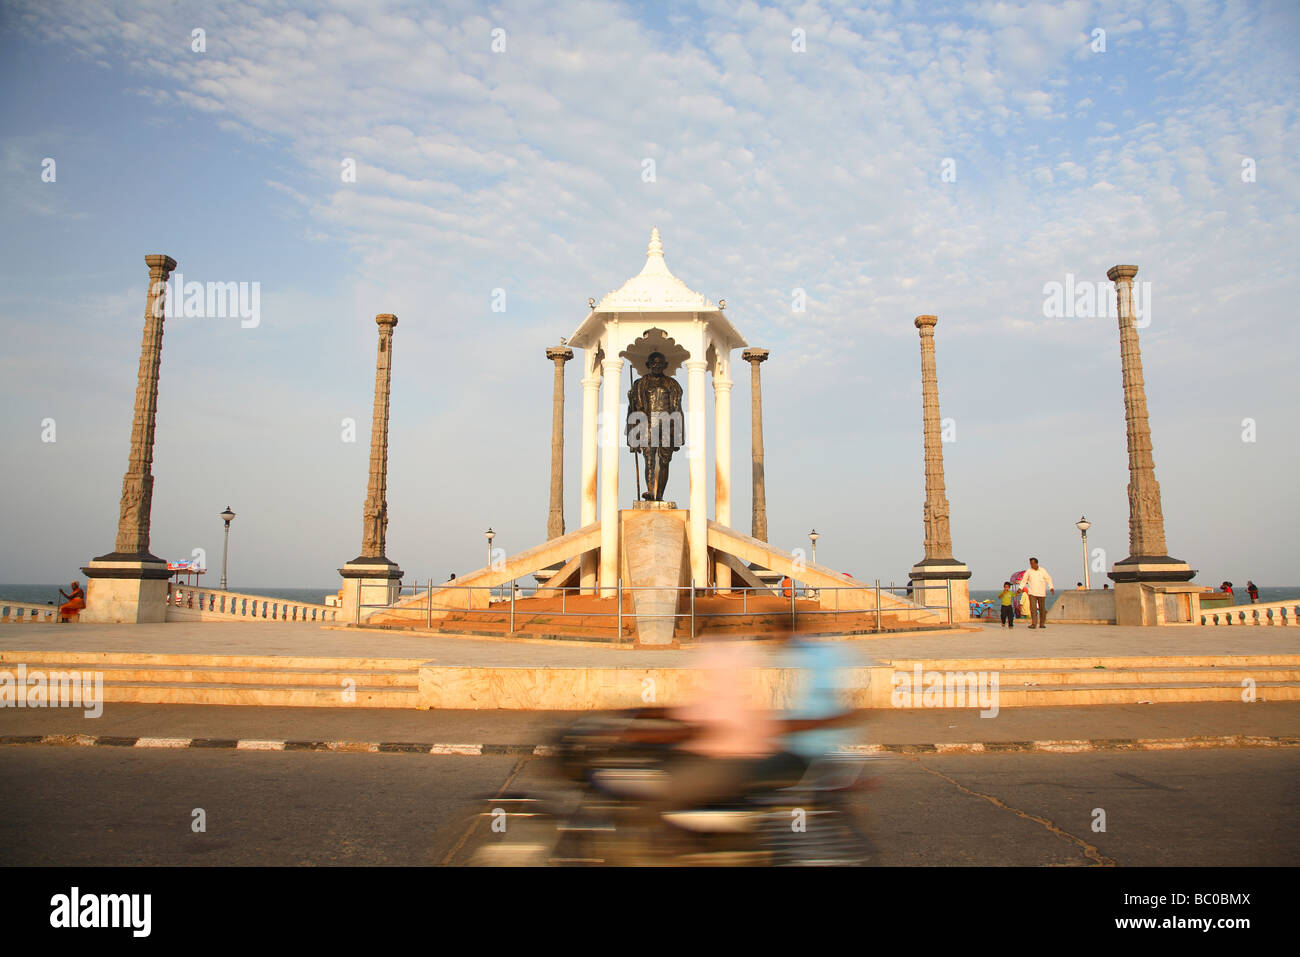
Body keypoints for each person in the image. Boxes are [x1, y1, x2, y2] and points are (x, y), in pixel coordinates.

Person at [1019, 558, 1054, 629]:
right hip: (1032, 593)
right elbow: (1024, 580)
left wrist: (1051, 587)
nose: (1031, 565)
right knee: (1033, 609)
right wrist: (1020, 588)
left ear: (1036, 563)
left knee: (1042, 609)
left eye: (1033, 563)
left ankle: (1042, 624)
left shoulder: (1042, 570)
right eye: (1030, 563)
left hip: (1041, 593)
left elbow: (1048, 579)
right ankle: (1034, 624)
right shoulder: (1029, 571)